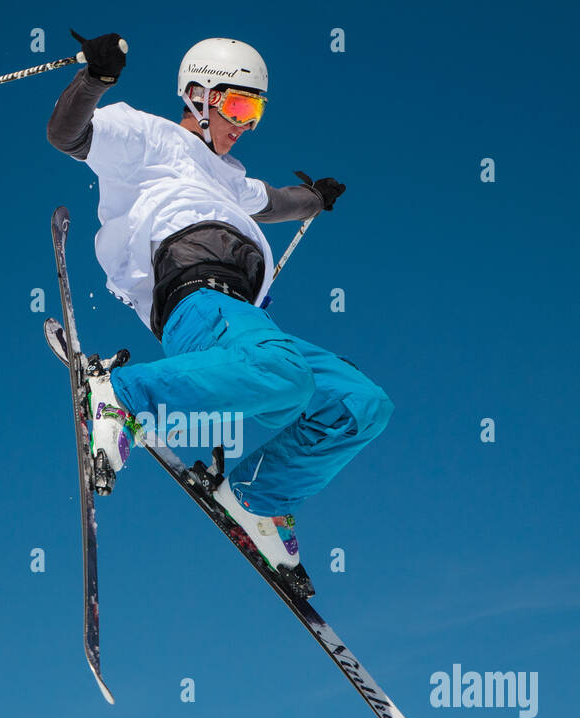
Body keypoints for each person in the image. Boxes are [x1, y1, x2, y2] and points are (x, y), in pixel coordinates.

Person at [47, 31, 392, 593]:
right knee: (285, 373)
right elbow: (67, 134)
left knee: (361, 403)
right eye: (236, 105)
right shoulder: (148, 136)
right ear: (196, 95)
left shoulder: (230, 177)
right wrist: (96, 79)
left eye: (254, 110)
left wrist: (316, 201)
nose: (244, 123)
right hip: (193, 291)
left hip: (242, 317)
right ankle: (120, 393)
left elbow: (275, 201)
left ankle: (257, 500)